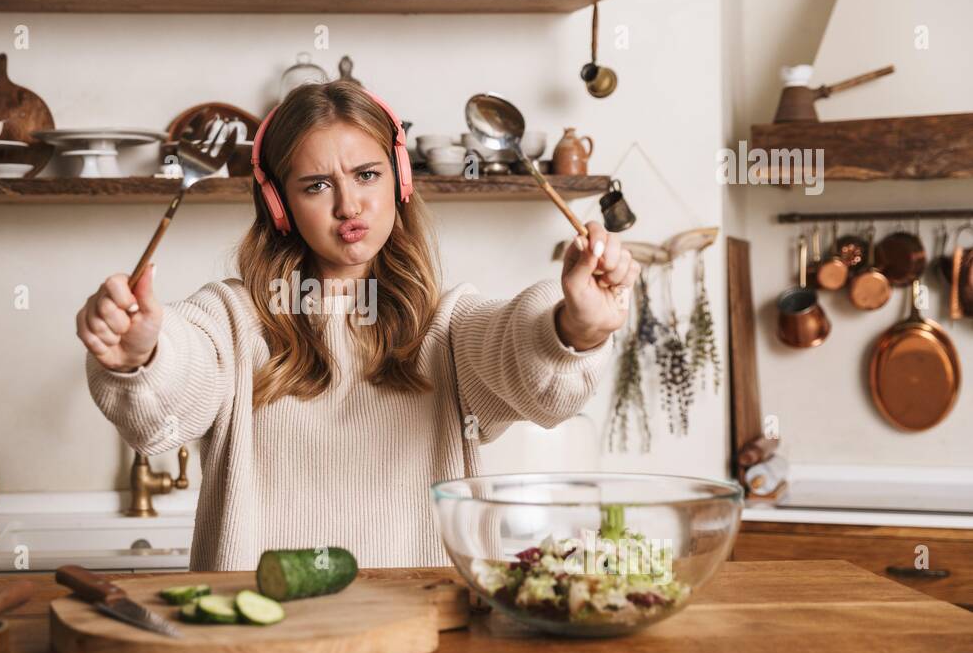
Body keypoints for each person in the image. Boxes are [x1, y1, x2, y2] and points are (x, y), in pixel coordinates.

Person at [76, 79, 636, 571]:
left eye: (367, 175)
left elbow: (521, 350)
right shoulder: (233, 320)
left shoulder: (446, 327)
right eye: (316, 185)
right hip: (262, 647)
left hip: (424, 640)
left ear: (400, 180)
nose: (349, 205)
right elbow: (172, 391)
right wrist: (141, 356)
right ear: (278, 204)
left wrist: (576, 328)